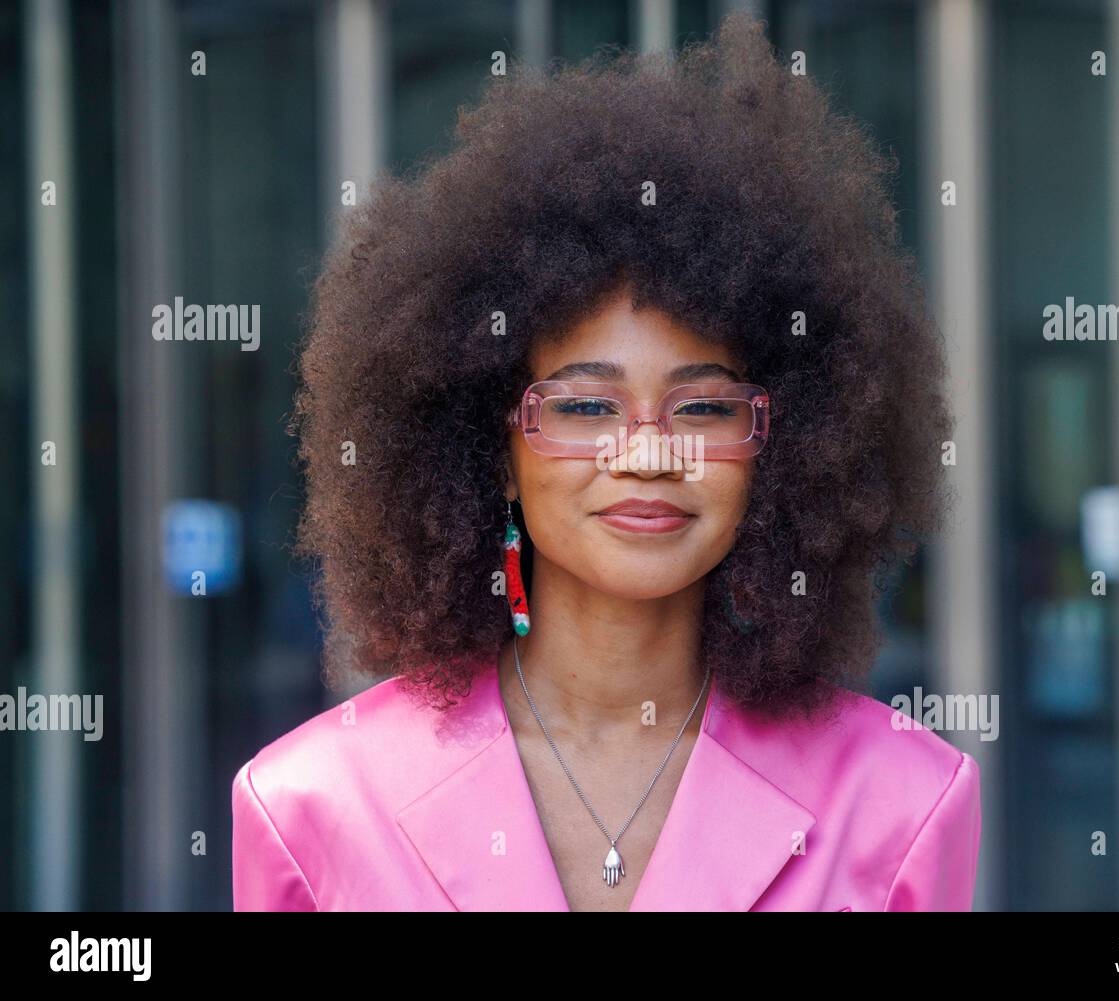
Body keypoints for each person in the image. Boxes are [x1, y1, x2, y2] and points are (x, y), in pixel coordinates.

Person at [232, 11, 979, 912]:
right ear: (490, 447)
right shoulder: (314, 806)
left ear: (781, 447)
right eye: (585, 405)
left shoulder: (902, 801)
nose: (648, 452)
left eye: (703, 406)